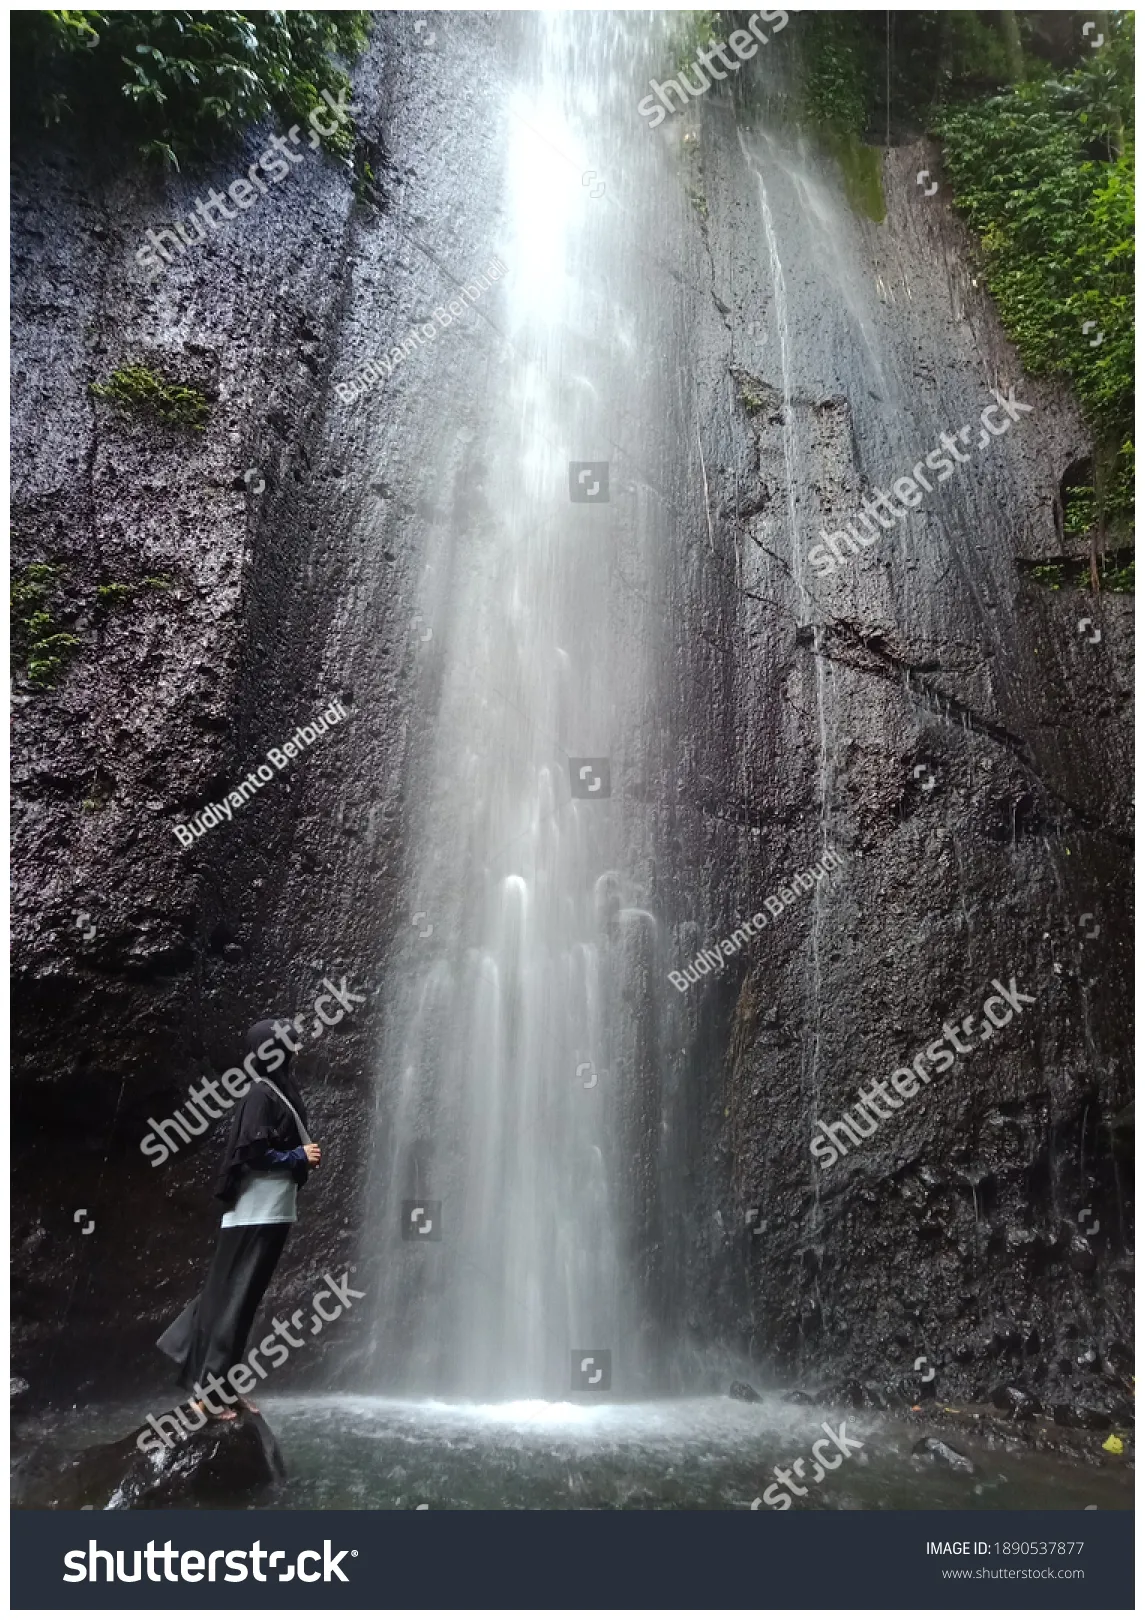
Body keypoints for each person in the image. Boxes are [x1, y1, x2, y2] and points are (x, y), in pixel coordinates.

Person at [156, 1018, 321, 1418]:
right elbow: (251, 1152)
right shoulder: (261, 1096)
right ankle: (208, 1395)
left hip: (269, 1212)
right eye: (291, 1046)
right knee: (234, 1302)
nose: (297, 1053)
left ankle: (221, 1387)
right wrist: (298, 1156)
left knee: (235, 1302)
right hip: (254, 1214)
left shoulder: (275, 1093)